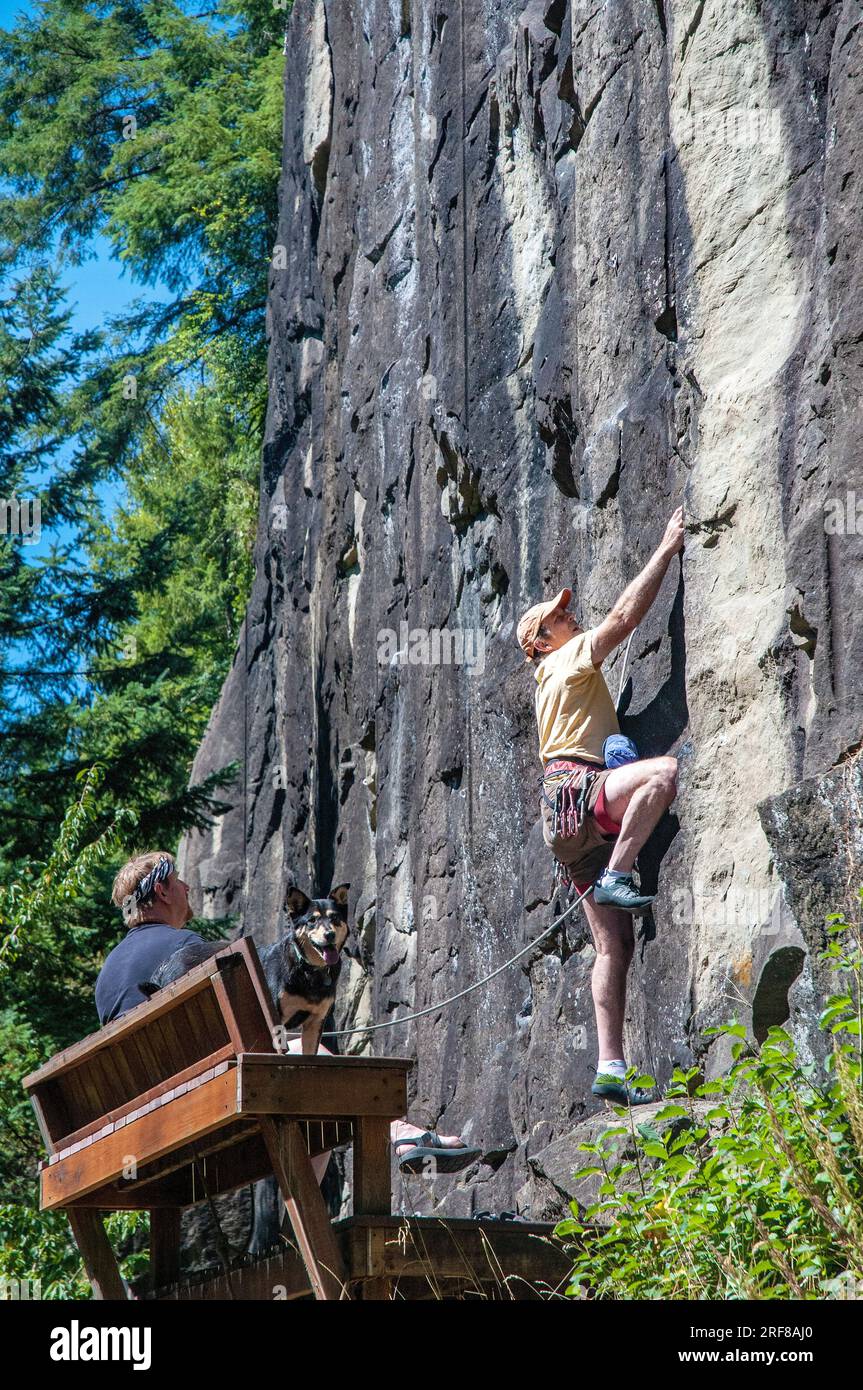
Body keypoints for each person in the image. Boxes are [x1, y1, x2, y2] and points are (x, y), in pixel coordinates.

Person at [96, 851, 480, 1175]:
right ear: (162, 891)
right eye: (179, 881)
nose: (187, 887)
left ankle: (389, 1145)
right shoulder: (184, 951)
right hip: (196, 1108)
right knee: (310, 1063)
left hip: (140, 1134)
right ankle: (398, 1134)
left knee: (313, 1113)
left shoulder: (108, 975)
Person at [516, 507, 684, 1105]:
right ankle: (618, 871)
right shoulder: (565, 662)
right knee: (661, 774)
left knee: (615, 945)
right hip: (578, 792)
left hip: (562, 821)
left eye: (566, 611)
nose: (570, 616)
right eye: (559, 617)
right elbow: (623, 617)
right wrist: (665, 550)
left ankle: (610, 1065)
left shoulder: (549, 688)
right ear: (541, 642)